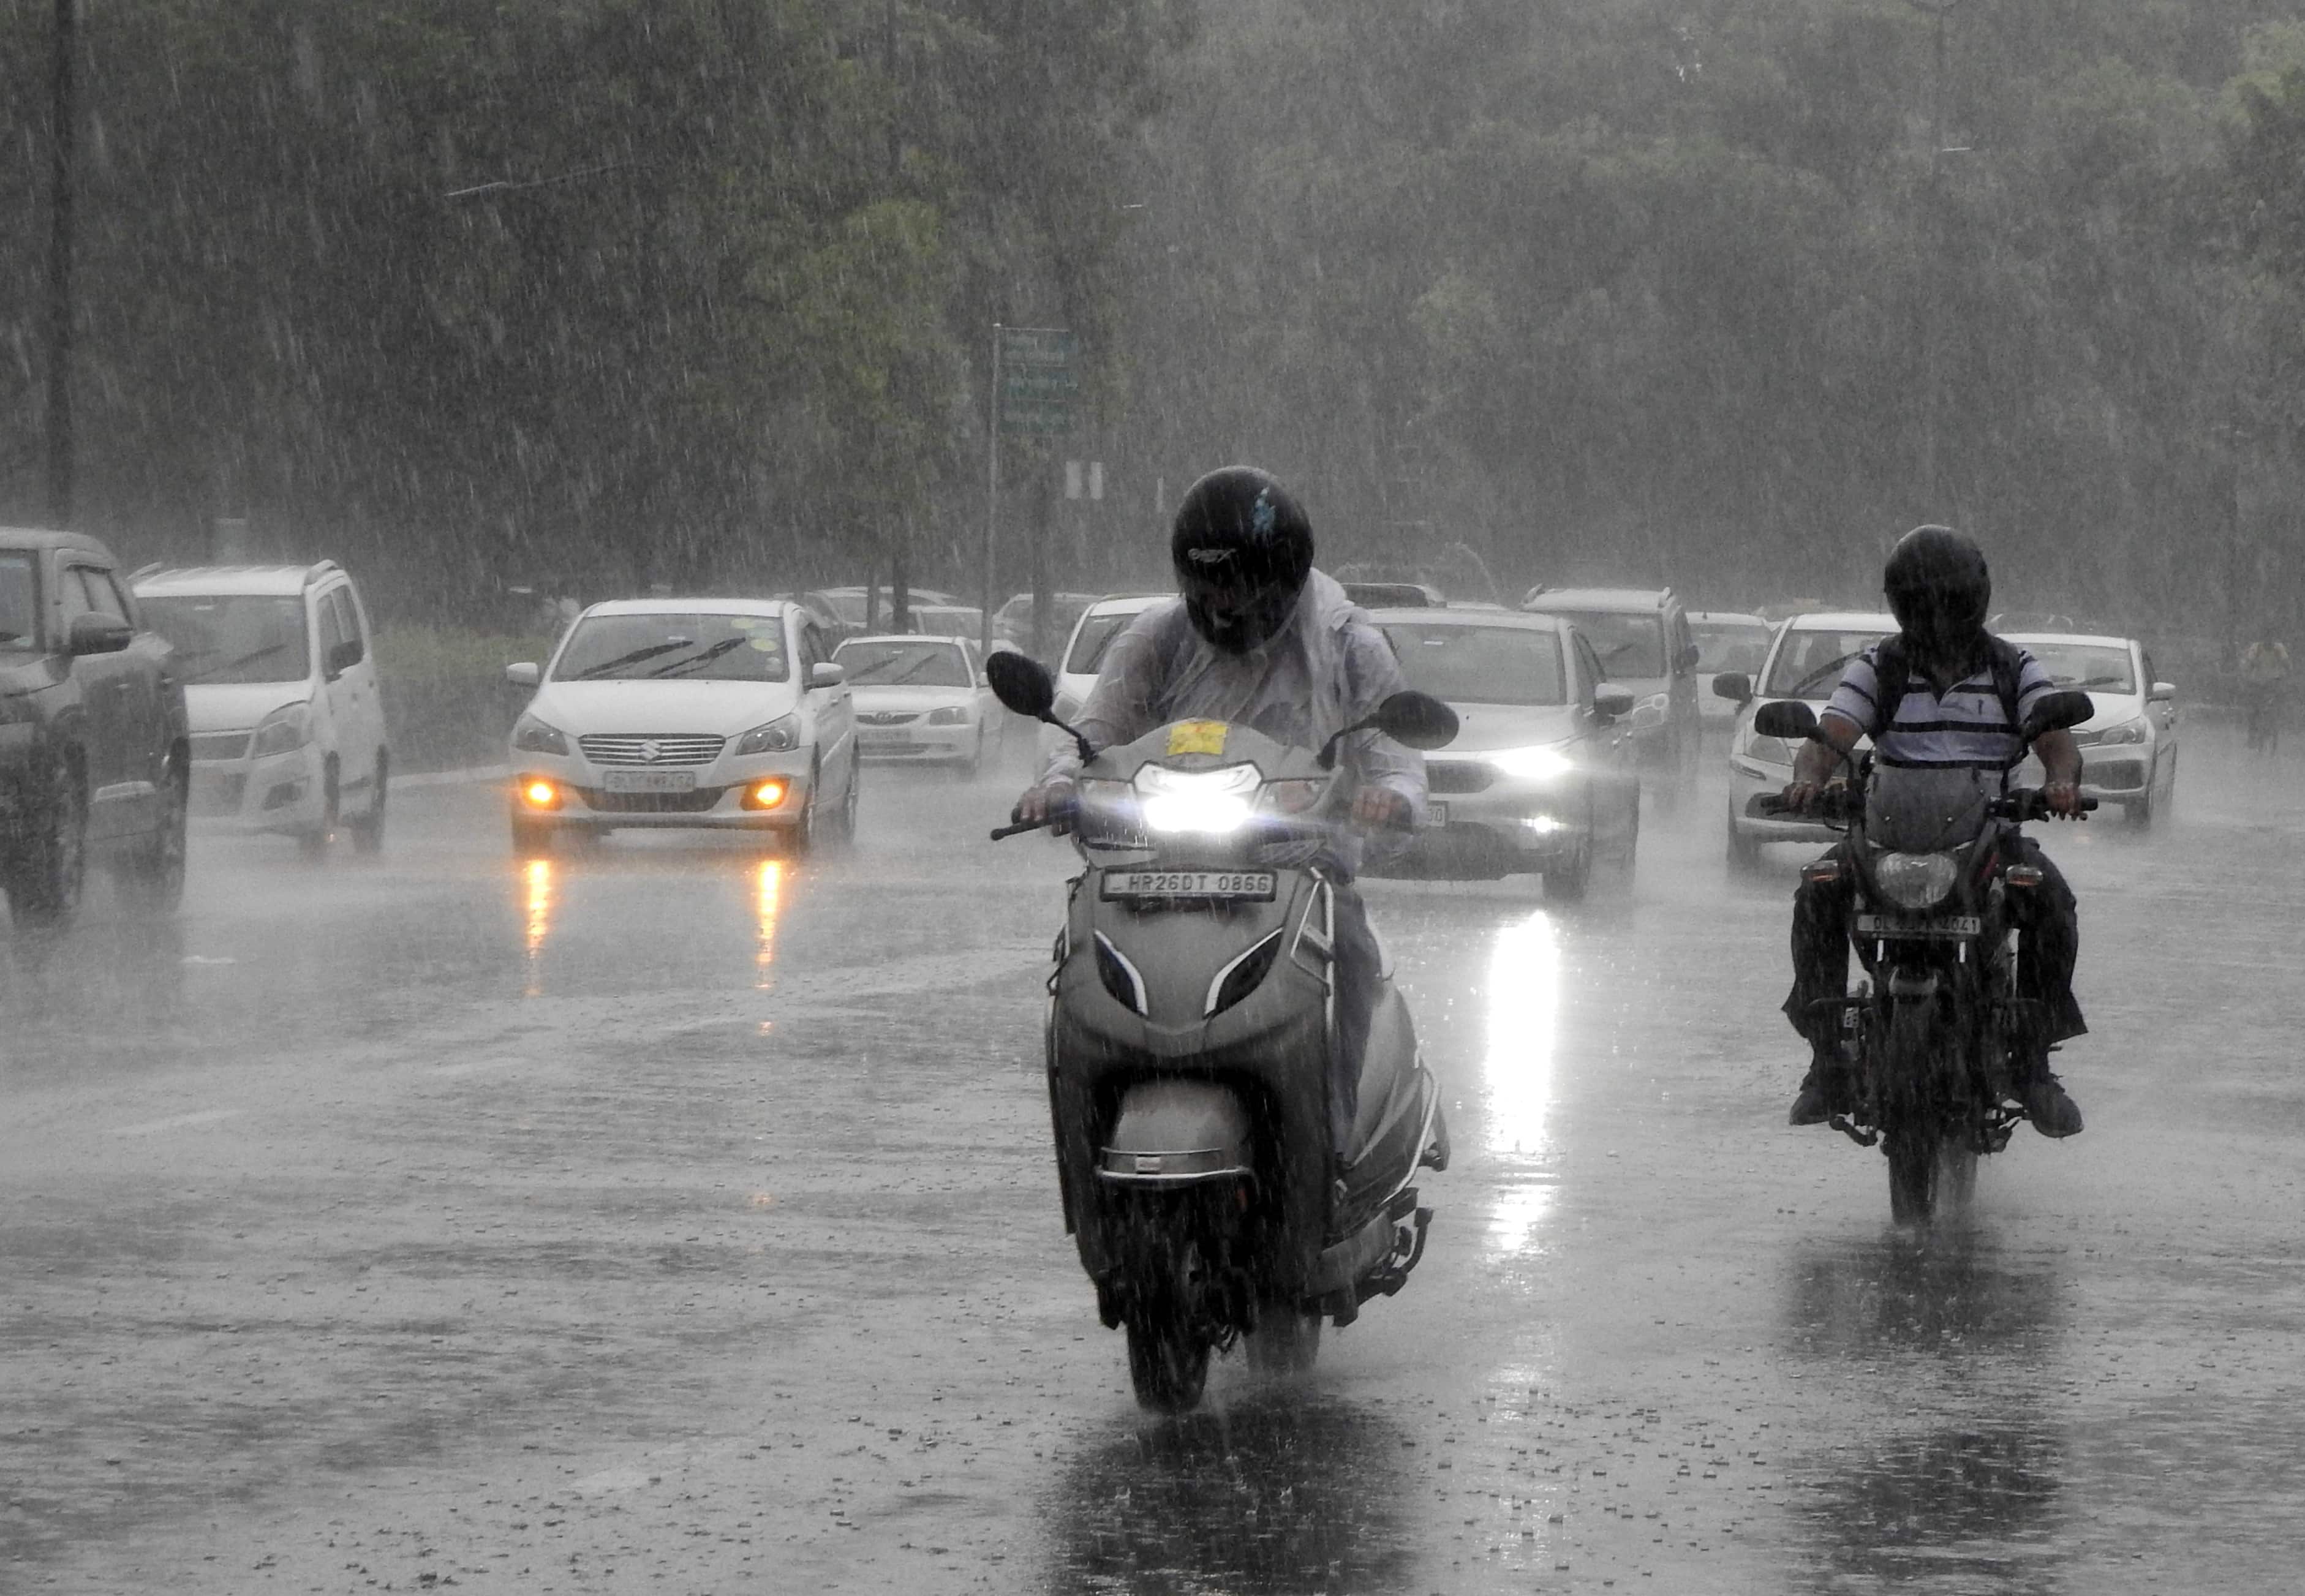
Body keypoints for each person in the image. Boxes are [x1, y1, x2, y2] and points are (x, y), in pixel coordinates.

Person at [1013, 465, 1426, 1166]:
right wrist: (1057, 786)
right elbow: (1094, 733)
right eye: (1207, 587)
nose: (1222, 604)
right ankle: (1085, 1142)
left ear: (1283, 576)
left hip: (1296, 864)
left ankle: (1331, 1138)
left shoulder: (1346, 642)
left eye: (1238, 585)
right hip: (1153, 862)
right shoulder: (1157, 636)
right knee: (1075, 958)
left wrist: (1391, 798)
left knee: (1350, 951)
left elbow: (1397, 760)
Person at [1781, 526, 2088, 1138]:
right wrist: (1808, 779)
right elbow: (1830, 737)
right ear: (1901, 603)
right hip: (1889, 836)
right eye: (1922, 602)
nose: (1937, 615)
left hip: (1989, 837)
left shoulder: (2013, 668)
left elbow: (2057, 743)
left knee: (2050, 901)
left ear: (1972, 600)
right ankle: (1826, 1059)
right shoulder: (1879, 667)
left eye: (1947, 600)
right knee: (1818, 889)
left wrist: (2060, 782)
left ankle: (2031, 1064)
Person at [2239, 635, 2289, 753]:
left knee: (2277, 706)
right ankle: (2252, 735)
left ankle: (2275, 725)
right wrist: (2248, 675)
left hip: (2274, 684)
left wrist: (2285, 674)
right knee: (2253, 710)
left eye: (2271, 638)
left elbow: (2287, 664)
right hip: (2258, 684)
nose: (2269, 642)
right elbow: (2249, 666)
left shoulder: (2279, 648)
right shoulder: (2256, 648)